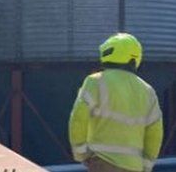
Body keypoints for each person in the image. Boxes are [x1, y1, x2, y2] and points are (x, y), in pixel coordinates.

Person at [69, 33, 163, 172]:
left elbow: (78, 119)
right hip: (135, 166)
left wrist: (81, 152)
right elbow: (155, 132)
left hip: (102, 162)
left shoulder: (95, 81)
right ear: (134, 58)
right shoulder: (148, 91)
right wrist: (146, 165)